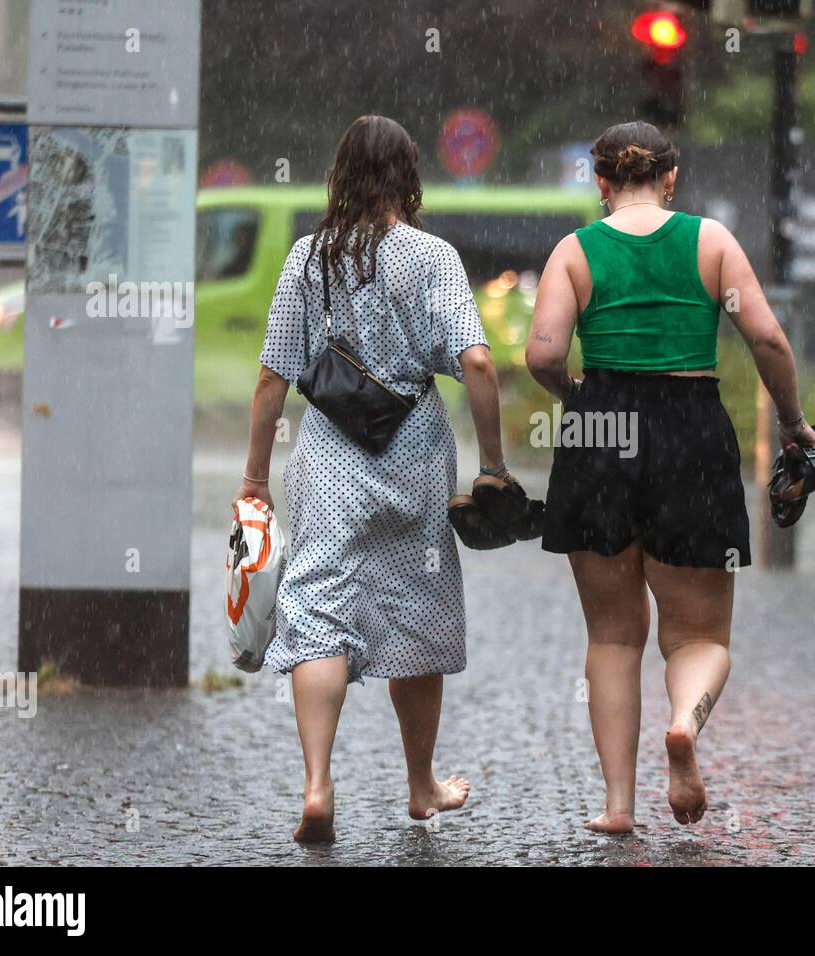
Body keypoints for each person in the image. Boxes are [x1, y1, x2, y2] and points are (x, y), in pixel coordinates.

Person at [526, 121, 815, 833]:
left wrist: (581, 400)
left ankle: (618, 807)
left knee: (613, 638)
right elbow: (768, 339)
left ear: (600, 182)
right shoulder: (710, 242)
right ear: (671, 177)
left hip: (599, 433)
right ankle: (683, 723)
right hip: (691, 430)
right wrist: (792, 422)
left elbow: (541, 353)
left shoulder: (576, 251)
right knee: (698, 636)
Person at [236, 115, 507, 843]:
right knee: (415, 608)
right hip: (414, 452)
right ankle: (422, 787)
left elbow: (273, 377)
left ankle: (319, 784)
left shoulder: (307, 257)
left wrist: (255, 477)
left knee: (319, 605)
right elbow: (477, 363)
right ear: (408, 176)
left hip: (328, 455)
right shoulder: (433, 256)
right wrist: (493, 466)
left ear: (339, 174)